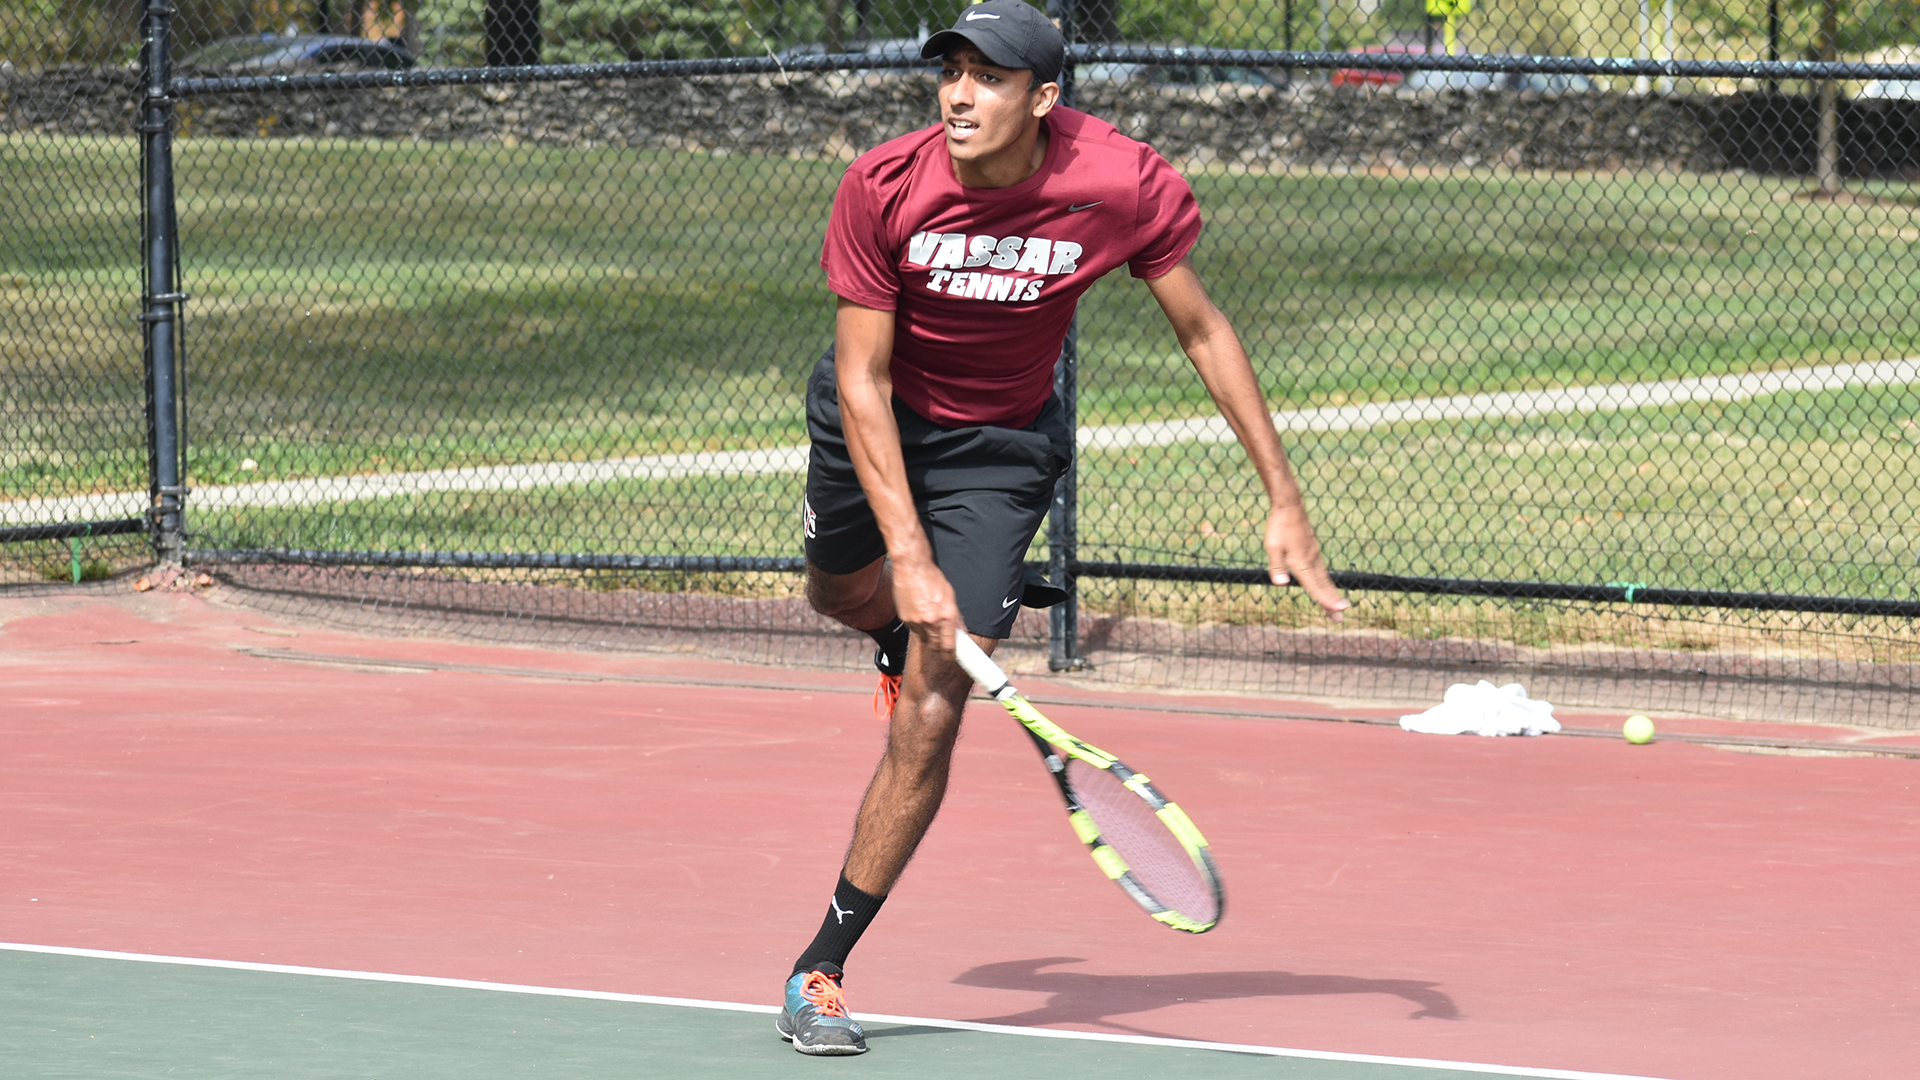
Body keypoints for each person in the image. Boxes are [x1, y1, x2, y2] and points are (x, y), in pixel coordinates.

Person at [776, 0, 1349, 1056]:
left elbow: (1203, 328)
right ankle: (895, 635)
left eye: (989, 78)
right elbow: (861, 375)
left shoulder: (1120, 182)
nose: (959, 94)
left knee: (939, 703)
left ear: (1044, 99)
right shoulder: (884, 185)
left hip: (1000, 450)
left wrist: (1285, 497)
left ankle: (821, 967)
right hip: (878, 411)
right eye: (950, 70)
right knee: (834, 590)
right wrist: (908, 558)